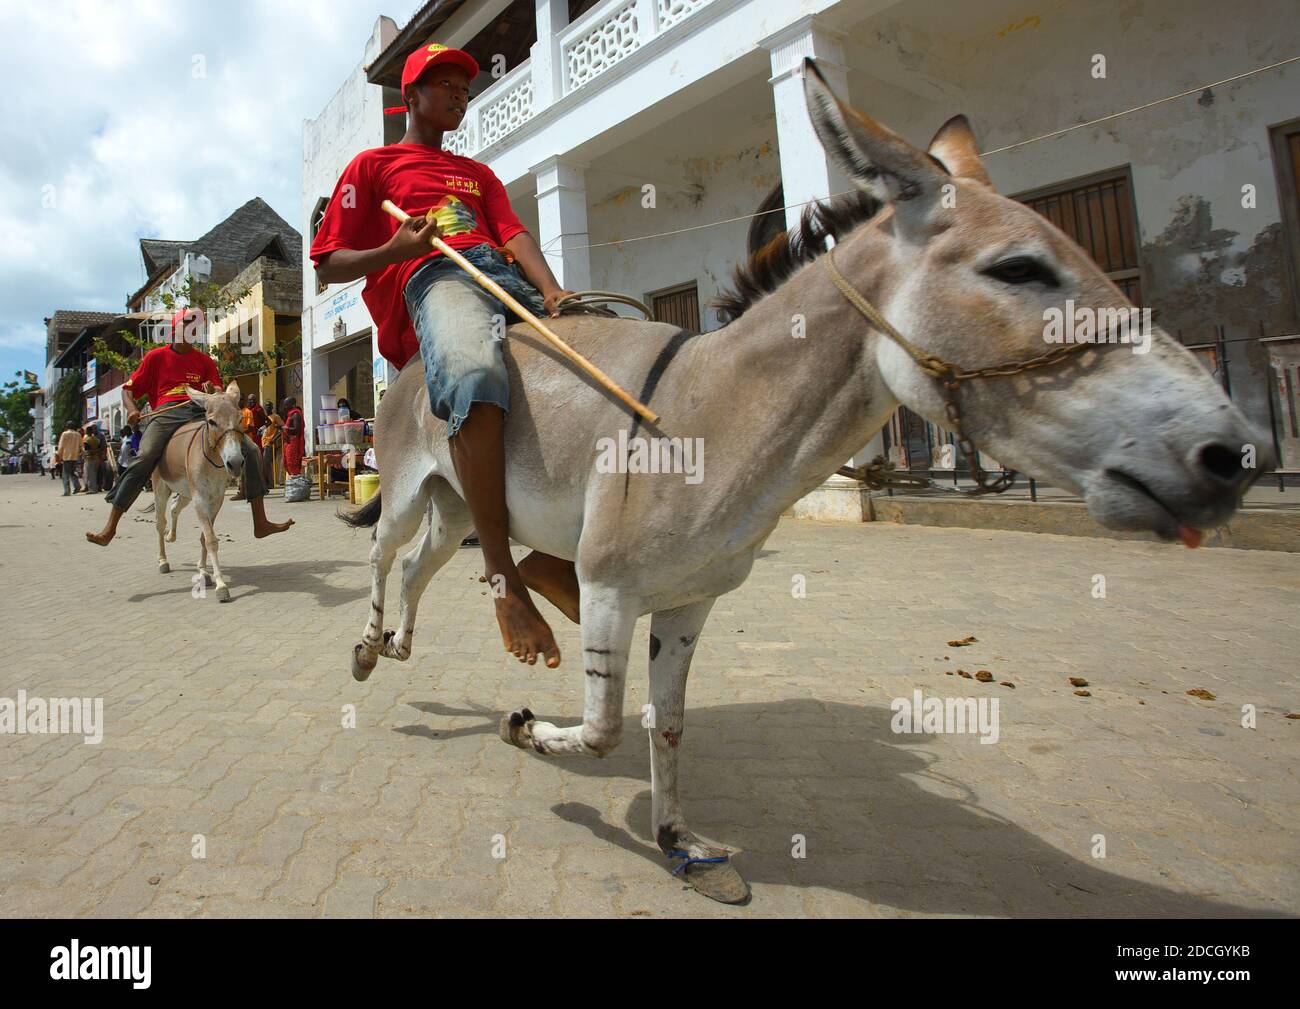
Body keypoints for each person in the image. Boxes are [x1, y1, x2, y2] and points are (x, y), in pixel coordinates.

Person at [310, 43, 579, 667]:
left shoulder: (477, 174)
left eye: (465, 86)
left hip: (501, 277)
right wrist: (396, 250)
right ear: (412, 97)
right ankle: (503, 579)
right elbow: (328, 263)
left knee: (596, 361)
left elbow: (511, 233)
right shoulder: (374, 165)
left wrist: (551, 290)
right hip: (438, 274)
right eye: (447, 84)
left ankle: (555, 557)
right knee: (473, 374)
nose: (461, 94)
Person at [85, 307, 294, 547]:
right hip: (167, 414)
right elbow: (128, 390)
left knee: (252, 450)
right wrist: (132, 410)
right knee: (145, 456)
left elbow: (218, 393)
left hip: (199, 411)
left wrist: (213, 391)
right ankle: (110, 527)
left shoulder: (204, 361)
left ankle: (260, 521)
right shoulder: (156, 357)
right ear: (174, 329)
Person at [57, 421, 83, 496]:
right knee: (71, 472)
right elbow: (81, 446)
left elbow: (61, 446)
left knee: (65, 475)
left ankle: (67, 491)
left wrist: (59, 455)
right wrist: (81, 454)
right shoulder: (78, 434)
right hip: (75, 456)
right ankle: (77, 486)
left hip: (66, 456)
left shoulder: (65, 434)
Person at [260, 400, 282, 487]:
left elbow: (281, 429)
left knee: (266, 463)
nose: (267, 407)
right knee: (266, 464)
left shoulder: (275, 417)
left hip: (271, 443)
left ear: (272, 407)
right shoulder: (265, 417)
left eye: (269, 406)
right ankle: (269, 483)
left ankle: (269, 483)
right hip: (264, 442)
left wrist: (275, 439)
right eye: (266, 406)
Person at [281, 397, 305, 477]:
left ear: (292, 405)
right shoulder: (289, 415)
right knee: (287, 463)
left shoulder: (295, 415)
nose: (285, 407)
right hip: (288, 443)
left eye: (286, 405)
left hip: (293, 444)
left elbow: (296, 429)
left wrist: (285, 428)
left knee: (293, 463)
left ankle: (296, 482)